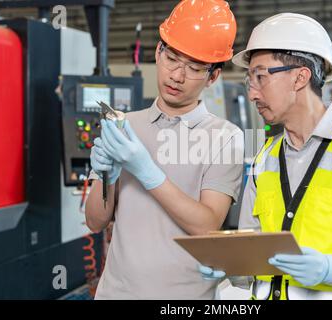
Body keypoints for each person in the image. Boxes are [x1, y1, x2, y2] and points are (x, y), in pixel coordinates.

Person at [199, 13, 332, 300]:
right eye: (249, 80)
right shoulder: (266, 158)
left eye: (260, 77)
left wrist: (331, 269)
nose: (252, 94)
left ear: (300, 77)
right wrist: (231, 268)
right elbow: (253, 258)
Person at [86, 0, 243, 299]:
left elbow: (207, 226)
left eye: (194, 68)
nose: (177, 76)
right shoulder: (125, 126)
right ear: (158, 53)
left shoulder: (225, 137)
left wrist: (147, 172)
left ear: (213, 76)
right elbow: (95, 221)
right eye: (172, 59)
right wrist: (106, 175)